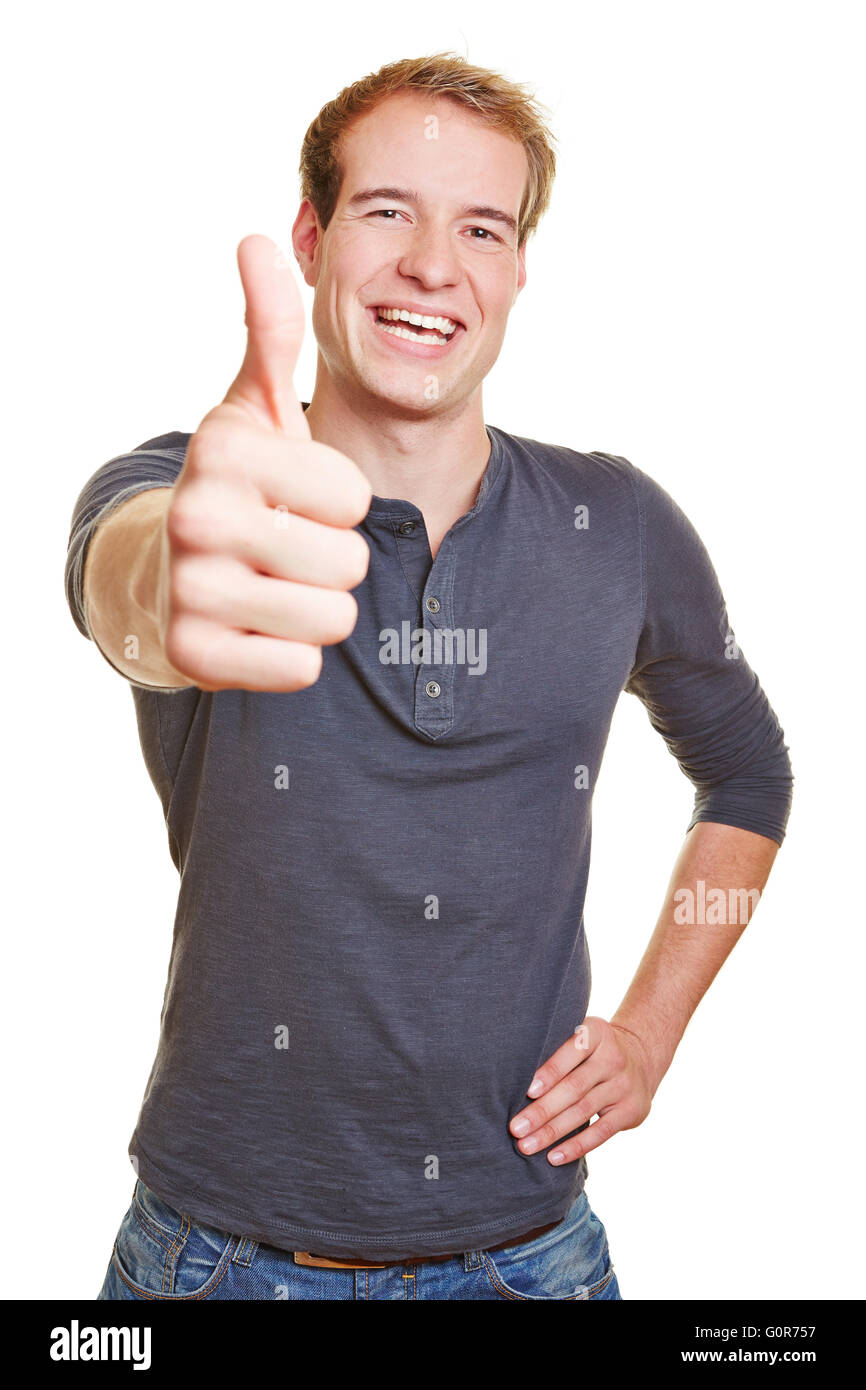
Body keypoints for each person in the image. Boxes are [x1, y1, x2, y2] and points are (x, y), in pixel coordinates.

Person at [65, 52, 793, 1302]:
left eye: (480, 229)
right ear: (310, 236)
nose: (431, 267)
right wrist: (167, 580)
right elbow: (129, 581)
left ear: (515, 271)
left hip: (531, 1263)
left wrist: (649, 1031)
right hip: (209, 1263)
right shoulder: (195, 493)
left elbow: (747, 774)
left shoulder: (613, 525)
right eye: (386, 211)